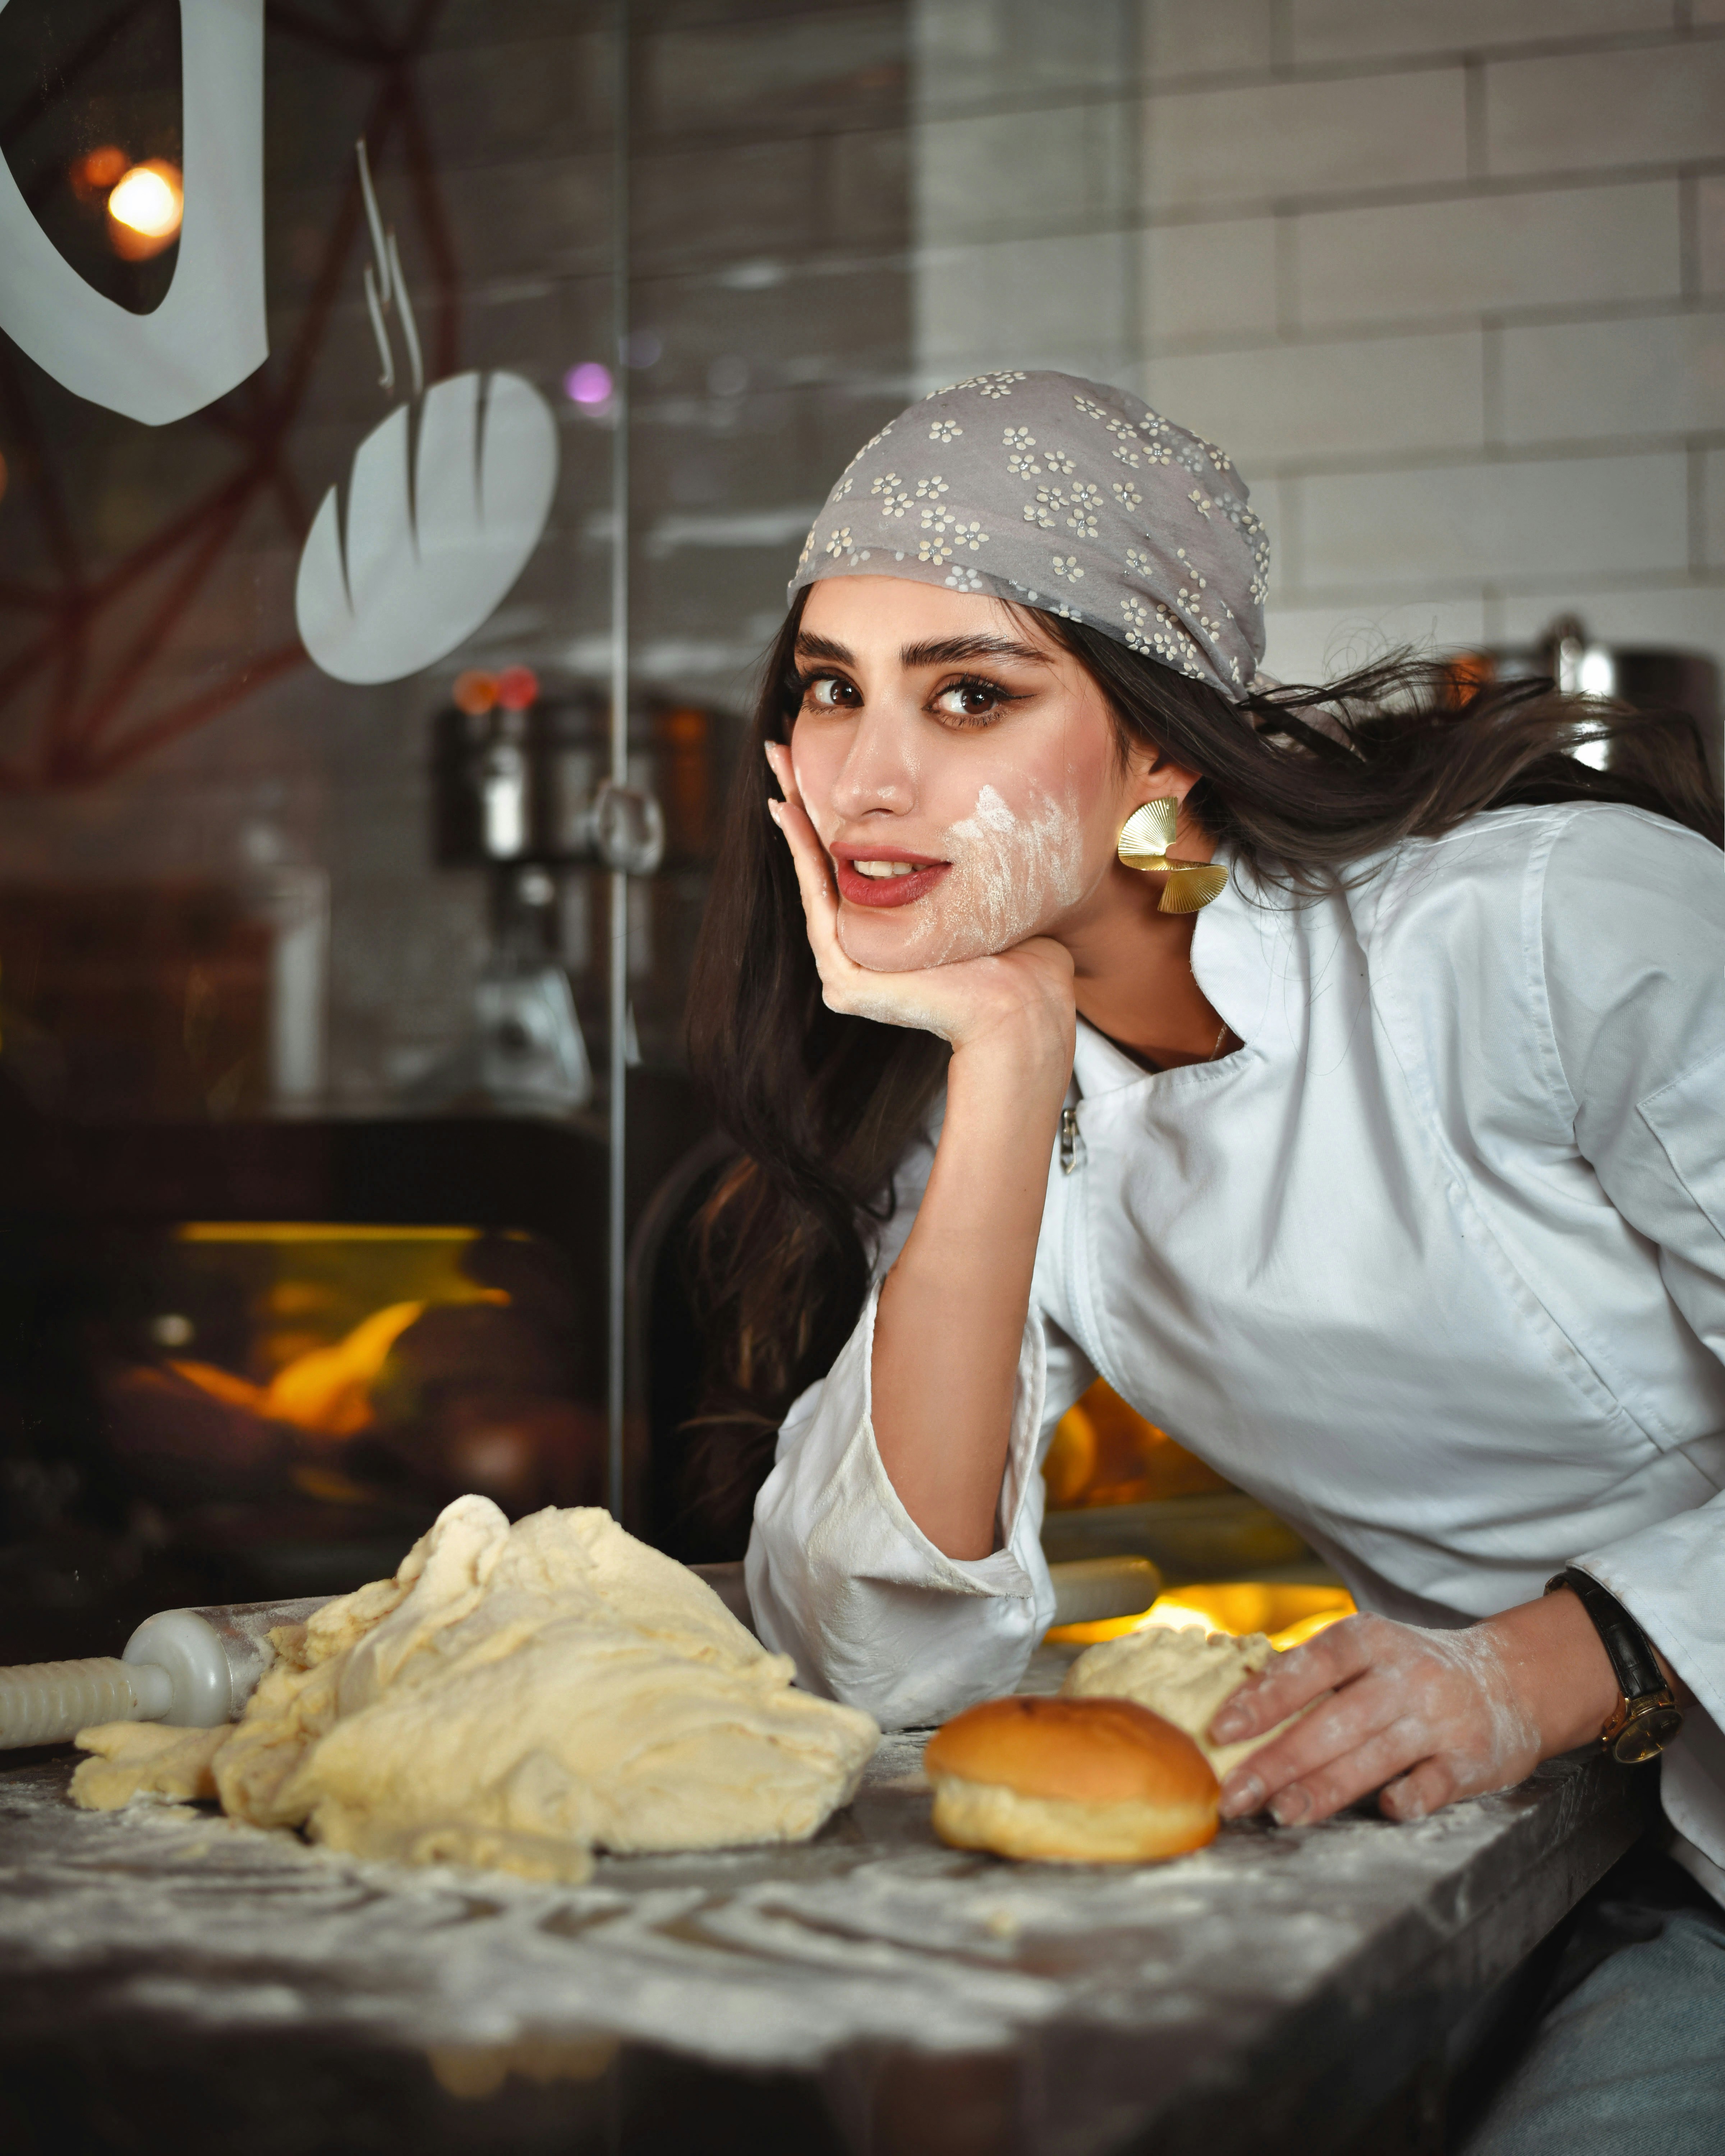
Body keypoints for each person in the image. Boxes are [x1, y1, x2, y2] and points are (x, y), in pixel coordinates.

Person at [684, 372, 1725, 2145]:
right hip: (1593, 1865)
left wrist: (1552, 1668)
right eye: (830, 690)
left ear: (1164, 744)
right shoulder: (974, 1111)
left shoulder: (1553, 930)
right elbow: (874, 1656)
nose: (866, 776)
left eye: (972, 695)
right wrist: (1009, 1062)